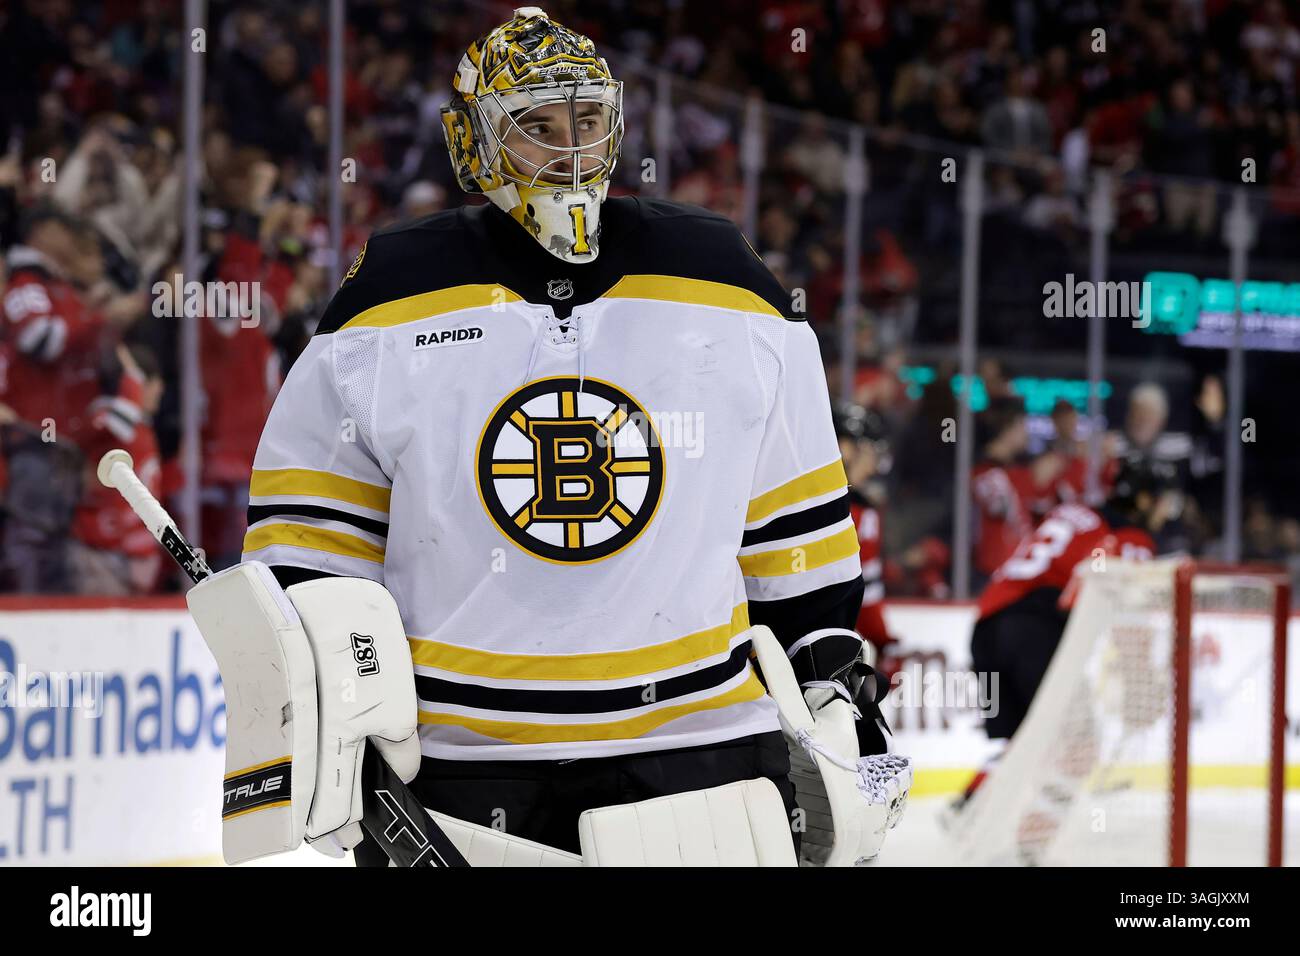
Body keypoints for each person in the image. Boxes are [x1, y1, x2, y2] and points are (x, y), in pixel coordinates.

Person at [239, 8, 904, 863]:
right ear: (474, 140)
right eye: (535, 128)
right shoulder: (388, 300)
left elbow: (795, 544)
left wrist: (832, 676)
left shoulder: (727, 283)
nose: (571, 152)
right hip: (464, 766)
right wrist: (335, 721)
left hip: (703, 755)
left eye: (587, 121)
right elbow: (311, 551)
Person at [950, 456, 1178, 815]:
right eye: (1165, 499)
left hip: (987, 626)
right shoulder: (1131, 539)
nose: (1169, 510)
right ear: (1145, 499)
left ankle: (966, 811)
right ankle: (1030, 845)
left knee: (1025, 736)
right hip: (1033, 629)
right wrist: (1139, 679)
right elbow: (1128, 613)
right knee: (1079, 743)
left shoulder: (1073, 512)